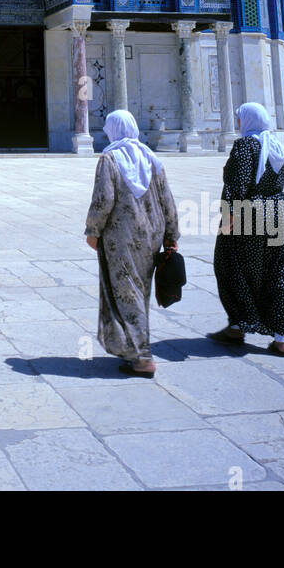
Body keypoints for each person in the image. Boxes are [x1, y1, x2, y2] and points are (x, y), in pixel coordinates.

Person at [83, 109, 180, 378]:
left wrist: (92, 229)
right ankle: (131, 349)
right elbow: (167, 200)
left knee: (128, 293)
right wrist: (172, 234)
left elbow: (103, 199)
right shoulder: (151, 158)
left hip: (121, 238)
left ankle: (141, 356)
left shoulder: (110, 159)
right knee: (140, 292)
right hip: (151, 235)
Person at [209, 102, 284, 357]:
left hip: (252, 214)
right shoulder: (275, 144)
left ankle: (238, 325)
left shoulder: (246, 146)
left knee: (230, 266)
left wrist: (228, 220)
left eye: (239, 118)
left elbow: (236, 186)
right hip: (281, 210)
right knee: (279, 271)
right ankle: (282, 339)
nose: (237, 123)